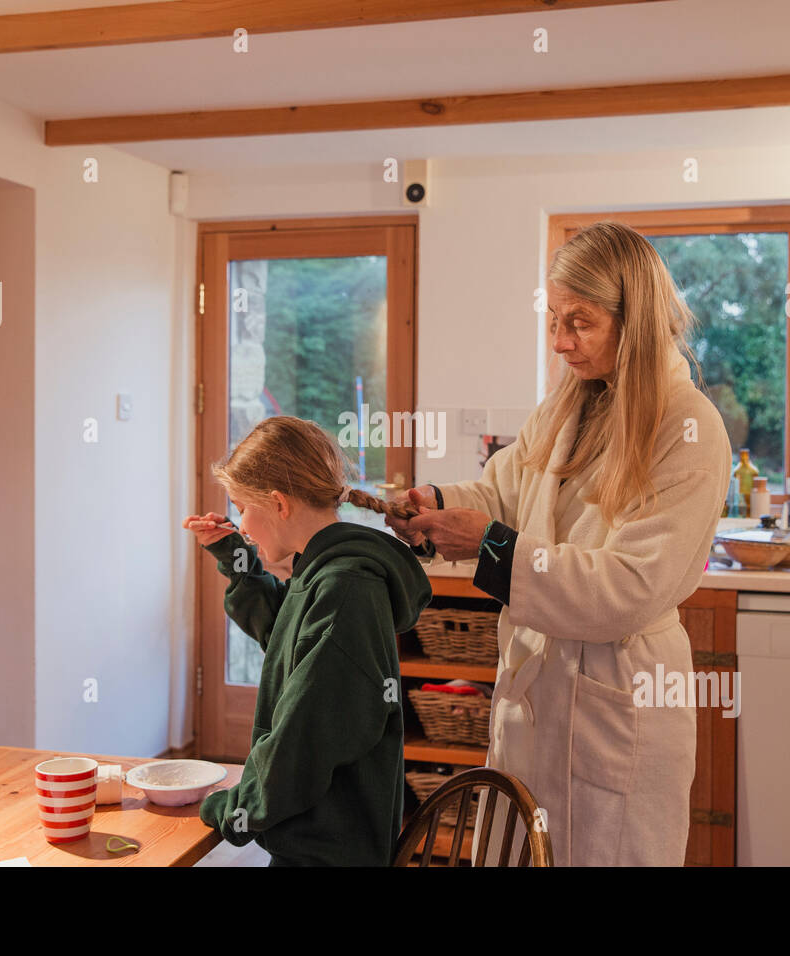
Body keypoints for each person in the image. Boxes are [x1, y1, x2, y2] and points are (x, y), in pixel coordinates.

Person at [385, 221, 731, 866]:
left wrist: (489, 548)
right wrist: (438, 504)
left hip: (617, 696)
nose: (561, 341)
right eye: (552, 320)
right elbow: (502, 492)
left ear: (638, 320)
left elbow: (629, 588)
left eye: (581, 321)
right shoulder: (565, 408)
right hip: (539, 687)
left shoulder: (688, 428)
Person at [183, 415, 431, 865]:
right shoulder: (324, 570)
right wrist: (235, 556)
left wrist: (232, 809)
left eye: (242, 507)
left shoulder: (344, 589)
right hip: (320, 840)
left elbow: (303, 738)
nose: (242, 524)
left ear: (278, 504)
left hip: (327, 853)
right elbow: (287, 632)